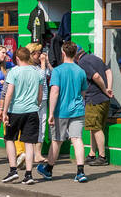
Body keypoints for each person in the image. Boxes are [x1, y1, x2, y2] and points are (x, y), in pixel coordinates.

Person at [37, 42, 89, 184]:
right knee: (77, 139)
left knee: (57, 141)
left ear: (63, 54)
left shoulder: (58, 71)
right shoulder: (81, 71)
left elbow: (54, 92)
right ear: (75, 54)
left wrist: (51, 113)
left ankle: (48, 169)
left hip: (61, 111)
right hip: (77, 110)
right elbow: (83, 92)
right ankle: (80, 172)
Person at [0, 46, 46, 185]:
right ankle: (29, 174)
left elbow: (9, 93)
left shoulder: (14, 71)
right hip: (32, 111)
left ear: (17, 58)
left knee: (9, 139)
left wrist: (5, 111)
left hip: (15, 111)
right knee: (29, 143)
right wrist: (36, 105)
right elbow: (40, 94)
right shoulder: (38, 72)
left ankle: (13, 170)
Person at [75, 44, 113, 167]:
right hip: (103, 99)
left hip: (94, 99)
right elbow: (108, 71)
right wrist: (109, 88)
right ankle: (92, 153)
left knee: (96, 128)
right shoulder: (94, 58)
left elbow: (96, 76)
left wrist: (104, 89)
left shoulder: (82, 62)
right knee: (94, 127)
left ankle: (102, 157)